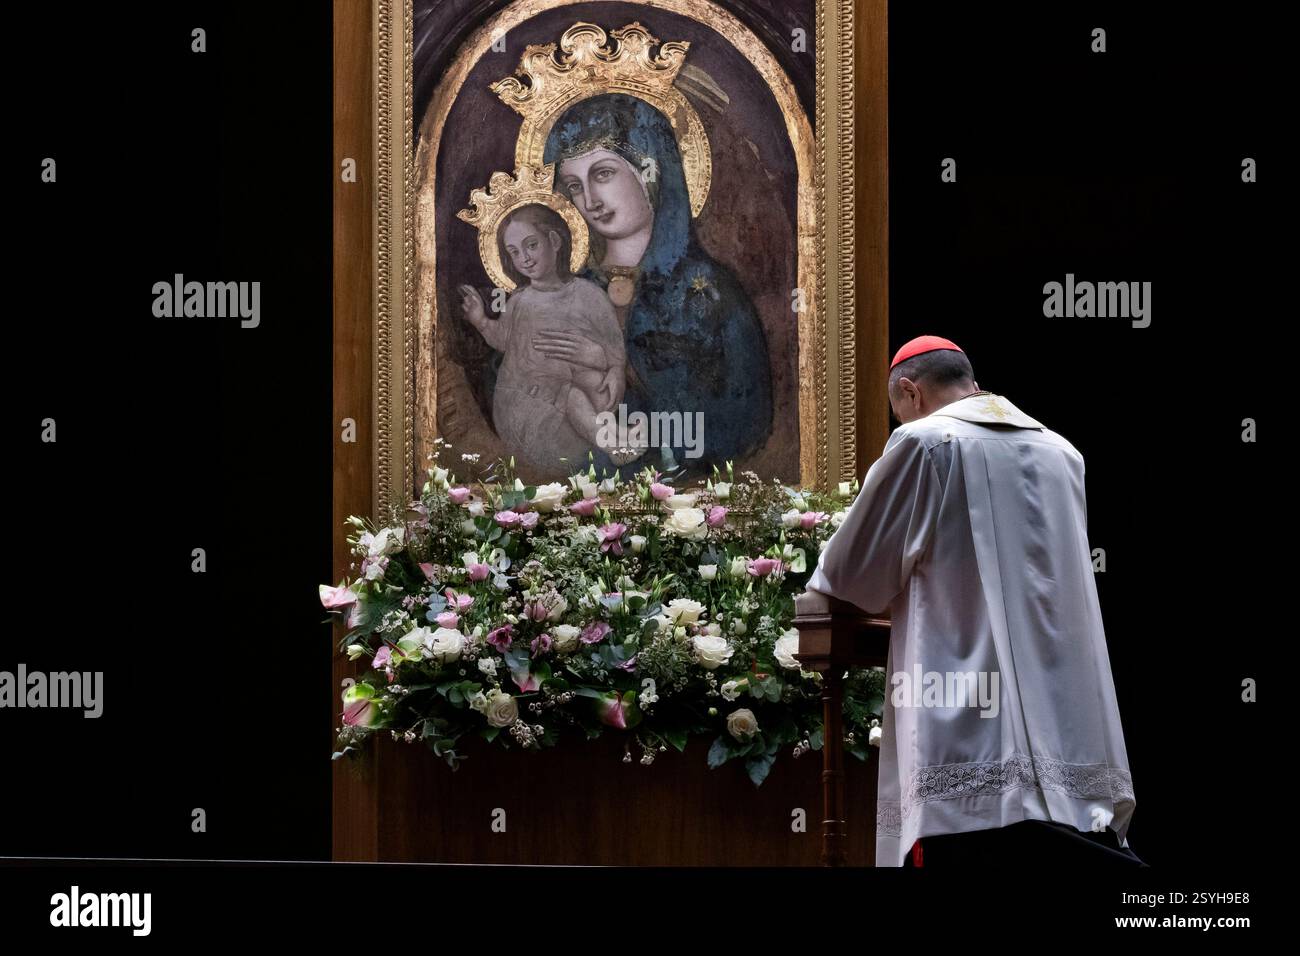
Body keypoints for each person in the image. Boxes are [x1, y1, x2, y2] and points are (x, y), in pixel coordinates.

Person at [806, 335, 1142, 868]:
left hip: (971, 726)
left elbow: (849, 575)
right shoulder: (1062, 453)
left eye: (897, 411)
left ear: (910, 393)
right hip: (1069, 722)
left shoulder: (925, 443)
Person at [536, 92, 774, 478]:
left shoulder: (711, 294)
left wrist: (660, 429)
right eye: (574, 186)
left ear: (649, 171)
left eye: (603, 174)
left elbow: (747, 419)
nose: (591, 200)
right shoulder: (566, 291)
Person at [458, 203, 626, 473]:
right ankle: (611, 441)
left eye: (531, 245)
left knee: (590, 382)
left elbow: (614, 348)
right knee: (570, 394)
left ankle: (615, 436)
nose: (524, 258)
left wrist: (614, 369)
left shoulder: (589, 296)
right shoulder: (520, 301)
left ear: (555, 241)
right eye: (514, 252)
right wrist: (480, 320)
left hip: (572, 424)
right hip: (526, 406)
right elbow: (502, 341)